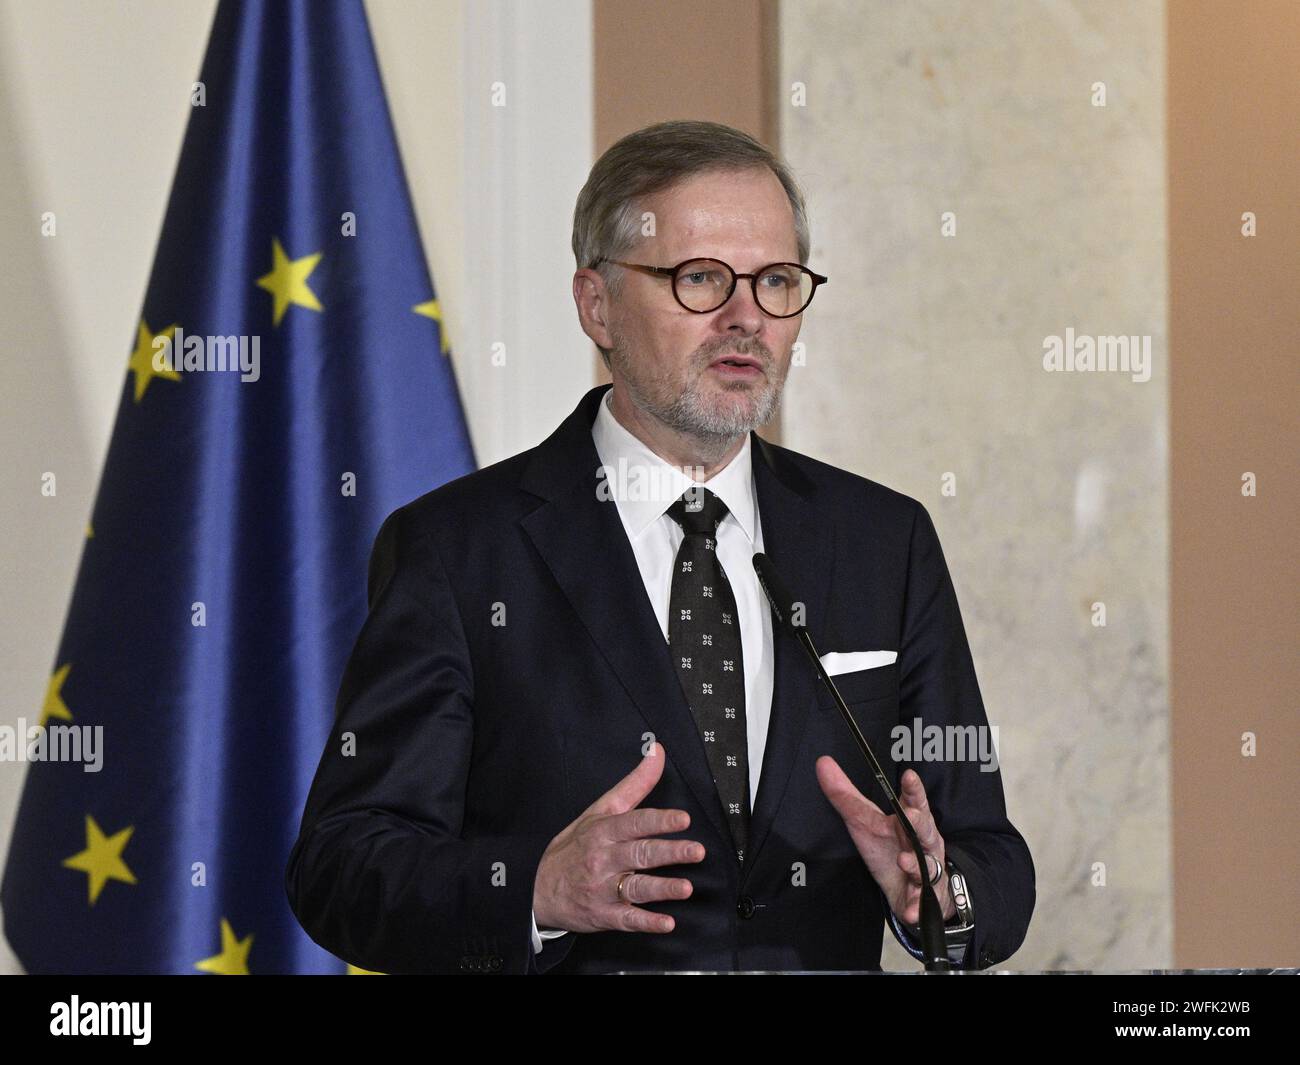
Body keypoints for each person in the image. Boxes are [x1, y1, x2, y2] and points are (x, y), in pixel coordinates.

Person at [285, 120, 1034, 974]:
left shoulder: (882, 541)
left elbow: (992, 857)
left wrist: (939, 894)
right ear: (596, 304)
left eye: (778, 281)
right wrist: (533, 887)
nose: (747, 317)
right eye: (701, 278)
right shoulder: (460, 551)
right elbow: (341, 864)